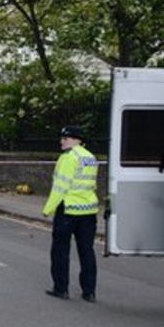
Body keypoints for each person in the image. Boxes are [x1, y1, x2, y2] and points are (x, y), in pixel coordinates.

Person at [42, 126, 100, 302]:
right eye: (62, 138)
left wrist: (48, 209)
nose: (62, 141)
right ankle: (89, 292)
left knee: (60, 251)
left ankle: (61, 289)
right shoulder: (90, 157)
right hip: (88, 211)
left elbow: (61, 187)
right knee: (87, 251)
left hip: (68, 210)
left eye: (66, 138)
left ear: (77, 140)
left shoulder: (68, 158)